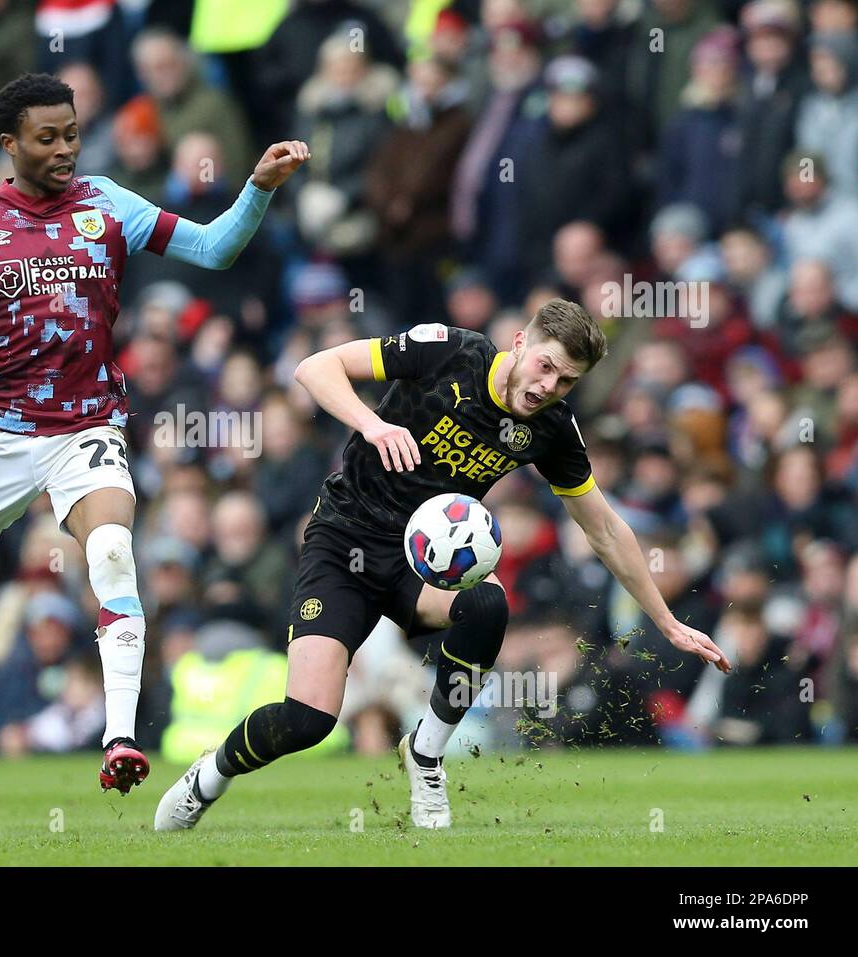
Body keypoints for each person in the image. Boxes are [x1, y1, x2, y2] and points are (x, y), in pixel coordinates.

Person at [0, 73, 308, 794]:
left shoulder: (108, 204)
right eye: (47, 137)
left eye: (71, 133)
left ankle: (122, 737)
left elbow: (214, 249)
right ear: (10, 144)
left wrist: (257, 186)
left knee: (112, 551)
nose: (65, 147)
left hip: (87, 424)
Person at [155, 299, 731, 831]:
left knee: (487, 603)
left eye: (566, 380)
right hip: (344, 541)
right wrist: (373, 425)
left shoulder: (551, 428)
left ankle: (426, 754)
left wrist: (666, 620)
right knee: (307, 720)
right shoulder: (449, 350)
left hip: (423, 563)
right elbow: (315, 367)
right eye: (546, 366)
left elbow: (603, 527)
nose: (548, 386)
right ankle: (209, 778)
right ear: (520, 341)